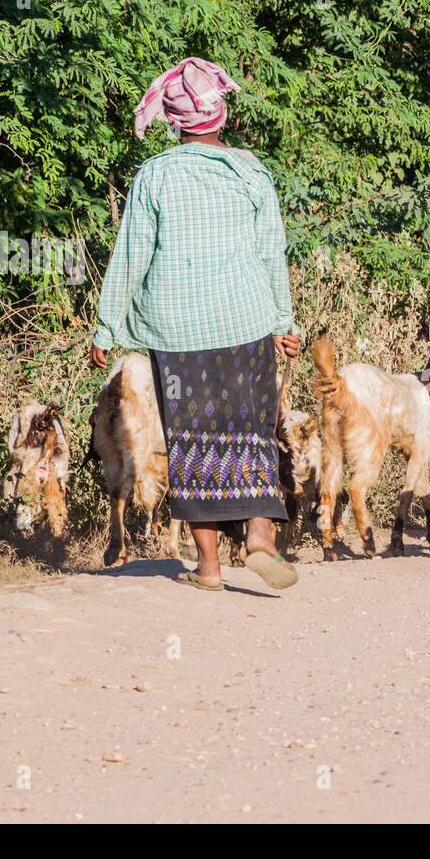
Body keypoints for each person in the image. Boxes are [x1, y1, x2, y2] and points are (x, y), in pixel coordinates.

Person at [90, 57, 299, 592]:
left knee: (194, 441)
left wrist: (107, 327)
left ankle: (207, 568)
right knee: (250, 433)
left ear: (176, 123)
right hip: (245, 322)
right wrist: (282, 320)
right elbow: (271, 252)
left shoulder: (155, 174)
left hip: (178, 333)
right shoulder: (251, 172)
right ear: (221, 114)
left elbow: (132, 253)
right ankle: (259, 535)